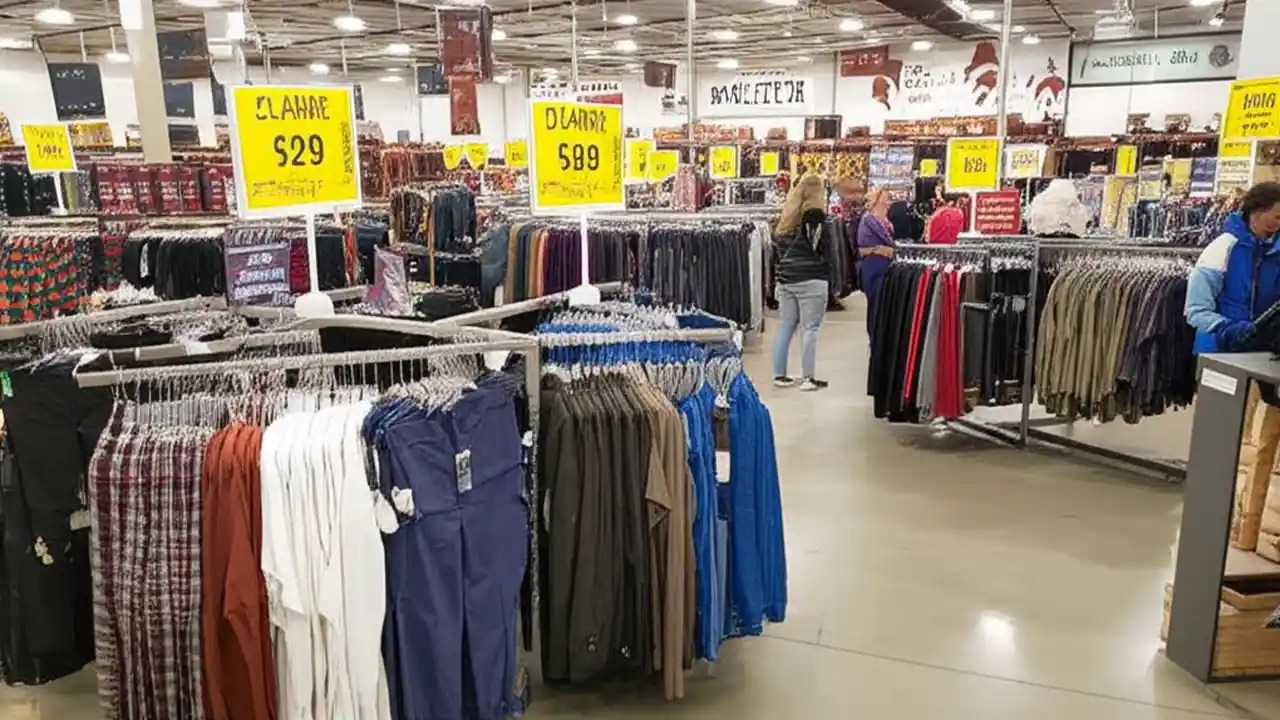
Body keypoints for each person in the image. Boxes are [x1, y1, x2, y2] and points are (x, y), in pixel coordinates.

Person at [1185, 181, 1280, 353]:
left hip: (1263, 355)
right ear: (1256, 213)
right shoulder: (1223, 248)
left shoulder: (1276, 253)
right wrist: (1229, 330)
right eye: (1278, 217)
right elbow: (1196, 310)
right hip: (1217, 352)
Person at [771, 174, 831, 391]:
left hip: (786, 279)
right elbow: (819, 247)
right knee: (810, 328)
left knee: (785, 326)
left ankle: (779, 374)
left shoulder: (787, 218)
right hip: (811, 278)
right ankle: (808, 378)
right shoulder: (814, 216)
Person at [856, 188, 895, 342]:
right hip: (873, 269)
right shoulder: (869, 220)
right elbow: (861, 249)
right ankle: (875, 341)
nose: (888, 204)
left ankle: (878, 341)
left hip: (882, 269)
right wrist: (878, 249)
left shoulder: (882, 222)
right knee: (876, 307)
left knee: (880, 308)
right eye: (885, 201)